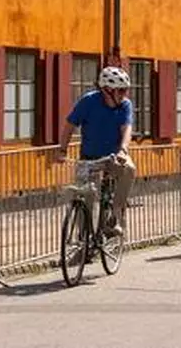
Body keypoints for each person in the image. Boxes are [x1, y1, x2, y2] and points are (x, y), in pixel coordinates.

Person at [56, 66, 137, 237]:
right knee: (85, 197)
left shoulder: (125, 105)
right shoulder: (88, 102)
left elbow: (126, 129)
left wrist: (123, 150)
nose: (124, 95)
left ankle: (115, 215)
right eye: (121, 90)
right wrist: (62, 150)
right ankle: (84, 239)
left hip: (113, 157)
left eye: (126, 90)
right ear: (107, 90)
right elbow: (69, 126)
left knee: (129, 169)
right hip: (89, 158)